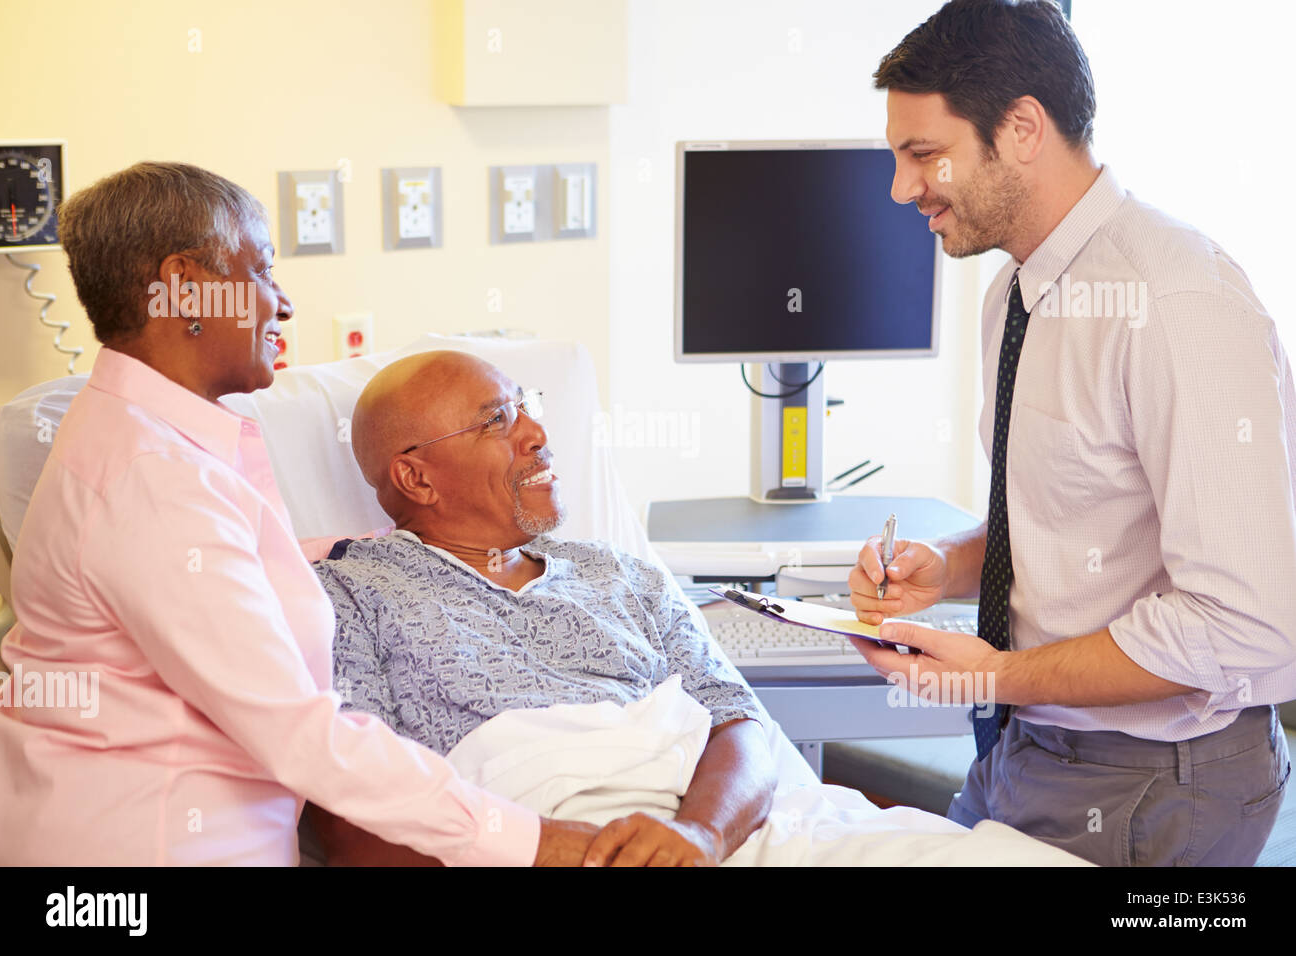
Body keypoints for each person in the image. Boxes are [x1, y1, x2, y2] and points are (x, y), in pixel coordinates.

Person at [0, 161, 598, 866]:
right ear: (185, 287)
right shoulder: (153, 481)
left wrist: (385, 545)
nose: (281, 304)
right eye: (261, 273)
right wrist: (538, 842)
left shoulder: (150, 437)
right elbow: (302, 734)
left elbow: (212, 574)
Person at [848, 0, 1294, 866]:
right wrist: (945, 565)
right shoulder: (1014, 294)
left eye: (923, 155)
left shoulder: (1175, 302)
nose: (903, 188)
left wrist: (990, 673)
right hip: (1026, 751)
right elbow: (1068, 511)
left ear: (1021, 129)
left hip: (1155, 786)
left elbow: (1246, 619)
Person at [304, 350, 777, 866]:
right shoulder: (348, 594)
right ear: (417, 480)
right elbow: (347, 812)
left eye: (526, 408)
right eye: (496, 421)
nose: (536, 435)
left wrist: (703, 836)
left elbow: (738, 722)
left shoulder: (621, 573)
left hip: (716, 837)